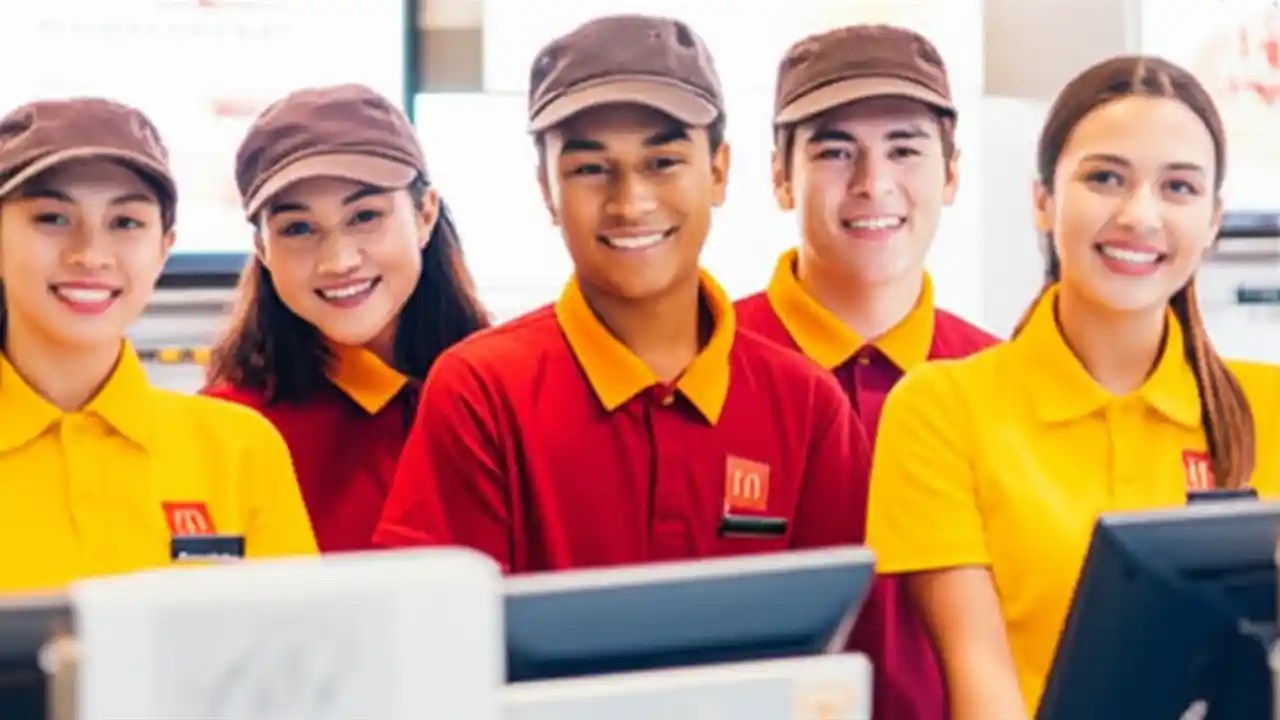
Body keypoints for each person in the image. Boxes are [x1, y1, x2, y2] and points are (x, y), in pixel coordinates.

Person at [376, 14, 872, 572]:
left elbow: (844, 636)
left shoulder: (806, 407)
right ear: (546, 189)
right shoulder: (481, 394)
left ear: (718, 171)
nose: (630, 202)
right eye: (590, 168)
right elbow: (441, 632)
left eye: (662, 163)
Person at [865, 55, 1280, 718]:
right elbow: (981, 687)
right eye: (1106, 178)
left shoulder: (1271, 410)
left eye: (1178, 188)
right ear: (1042, 200)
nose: (1140, 214)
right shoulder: (941, 410)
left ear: (1213, 220)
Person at [735, 25, 999, 720]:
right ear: (780, 177)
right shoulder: (703, 367)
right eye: (834, 151)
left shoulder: (1001, 380)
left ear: (951, 173)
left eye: (904, 149)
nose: (872, 183)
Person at [0, 97, 317, 594]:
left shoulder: (239, 451)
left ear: (164, 247)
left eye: (126, 223)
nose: (90, 254)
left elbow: (295, 659)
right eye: (52, 218)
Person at [203, 84, 490, 553]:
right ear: (262, 249)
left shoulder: (500, 396)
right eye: (298, 228)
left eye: (365, 216)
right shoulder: (225, 430)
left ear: (424, 214)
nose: (338, 261)